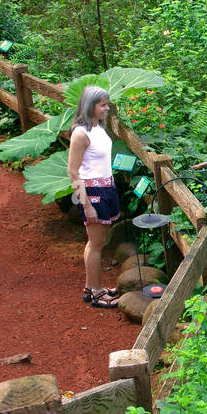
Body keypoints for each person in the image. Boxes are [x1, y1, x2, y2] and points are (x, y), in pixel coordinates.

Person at [67, 85, 121, 308]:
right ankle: (98, 294)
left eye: (107, 104)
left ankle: (91, 288)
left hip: (106, 187)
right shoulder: (81, 133)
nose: (107, 108)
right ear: (90, 106)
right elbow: (72, 171)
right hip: (93, 192)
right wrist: (86, 204)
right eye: (103, 105)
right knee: (97, 244)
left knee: (96, 242)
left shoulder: (98, 127)